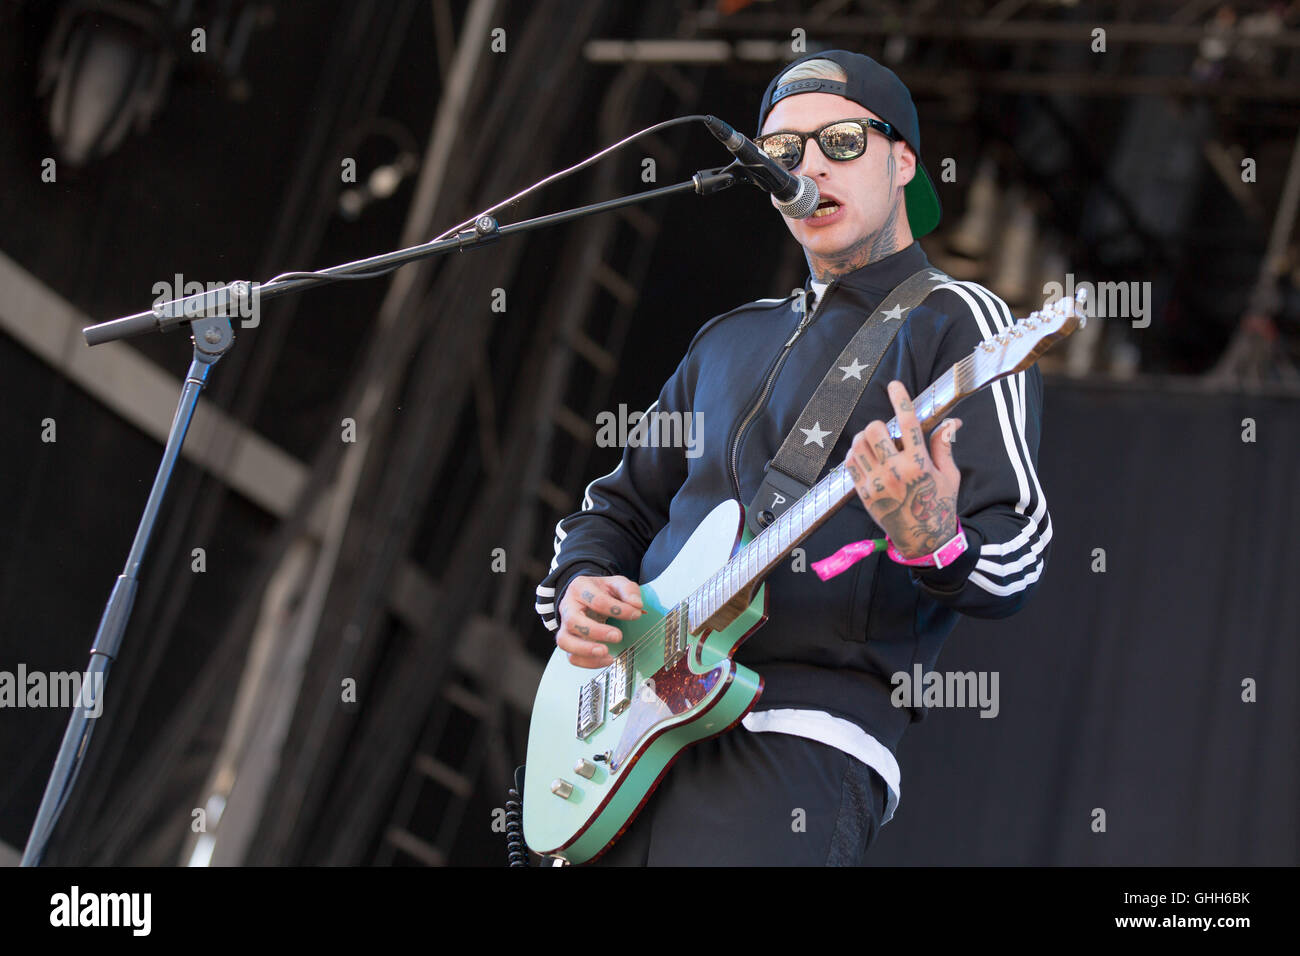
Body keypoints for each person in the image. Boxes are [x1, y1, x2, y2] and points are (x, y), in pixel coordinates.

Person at [532, 49, 1050, 865]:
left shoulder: (955, 321)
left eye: (841, 142)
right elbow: (615, 509)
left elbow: (1015, 558)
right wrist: (577, 591)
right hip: (622, 741)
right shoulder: (728, 338)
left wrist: (931, 536)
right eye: (781, 154)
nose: (807, 167)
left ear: (903, 157)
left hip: (794, 744)